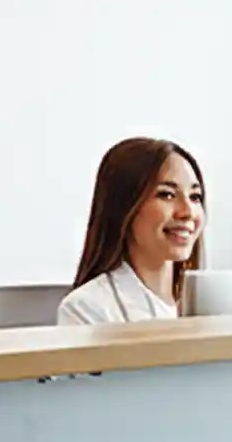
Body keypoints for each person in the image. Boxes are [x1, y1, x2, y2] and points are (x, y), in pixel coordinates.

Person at [56, 137, 206, 325]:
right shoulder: (86, 308)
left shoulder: (211, 302)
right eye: (167, 195)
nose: (188, 212)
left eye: (195, 197)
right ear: (124, 207)